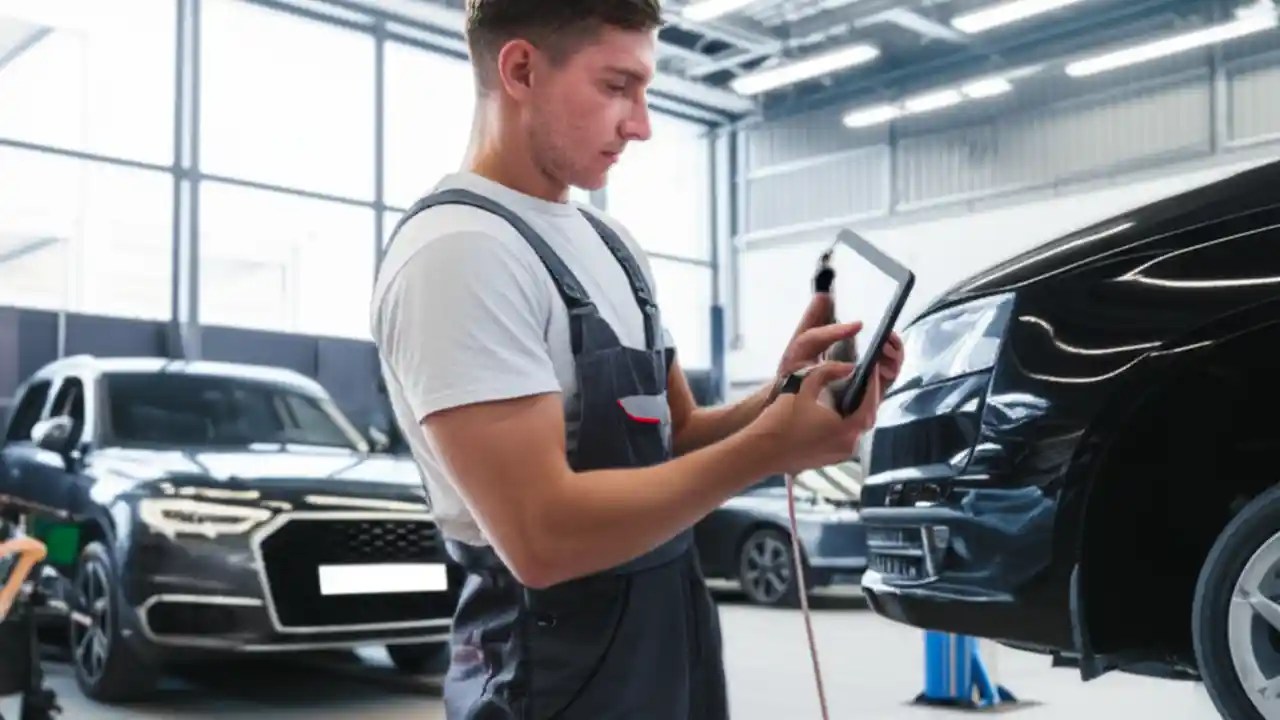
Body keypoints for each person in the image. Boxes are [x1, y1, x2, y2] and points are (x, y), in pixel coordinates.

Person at [369, 1, 904, 717]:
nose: (642, 123)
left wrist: (782, 394)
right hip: (552, 667)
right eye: (617, 86)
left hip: (669, 631)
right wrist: (767, 452)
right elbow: (542, 538)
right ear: (521, 68)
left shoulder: (612, 243)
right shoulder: (460, 254)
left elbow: (672, 438)